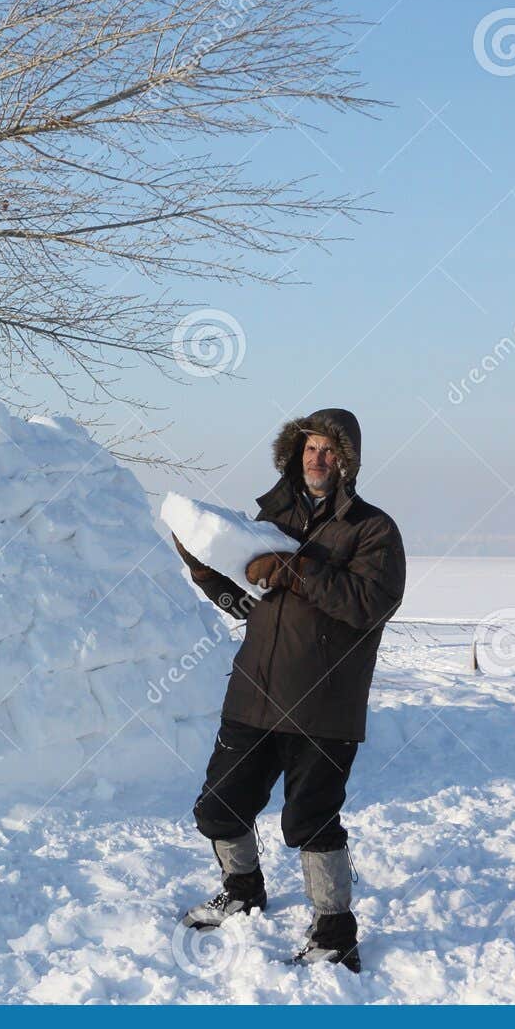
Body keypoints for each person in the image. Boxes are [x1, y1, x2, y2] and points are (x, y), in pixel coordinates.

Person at [172, 407, 405, 970]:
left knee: (310, 821)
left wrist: (294, 569)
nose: (316, 459)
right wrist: (209, 572)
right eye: (307, 449)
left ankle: (334, 931)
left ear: (346, 460)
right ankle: (244, 889)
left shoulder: (372, 529)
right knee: (219, 807)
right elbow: (249, 599)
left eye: (328, 450)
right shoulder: (268, 517)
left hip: (324, 703)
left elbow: (369, 604)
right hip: (255, 691)